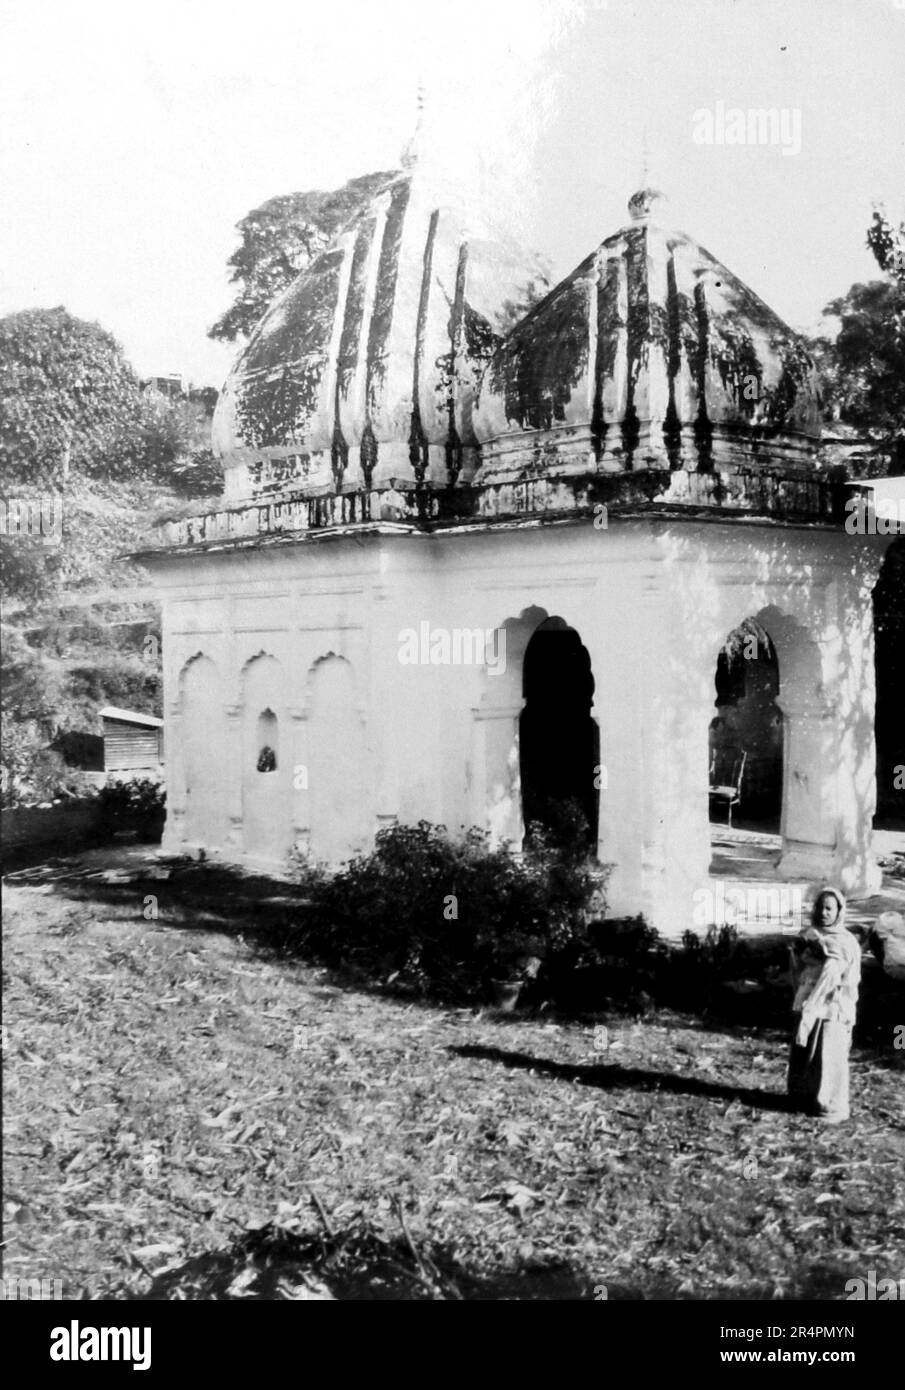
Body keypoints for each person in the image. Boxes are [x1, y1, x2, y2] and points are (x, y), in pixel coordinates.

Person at [787, 887, 861, 1123]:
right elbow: (798, 969)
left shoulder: (845, 941)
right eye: (819, 907)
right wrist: (797, 952)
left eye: (829, 908)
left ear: (839, 911)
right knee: (806, 1051)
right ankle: (803, 1098)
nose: (823, 913)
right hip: (809, 997)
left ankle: (829, 1106)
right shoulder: (809, 934)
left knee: (828, 1053)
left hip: (830, 1004)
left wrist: (823, 949)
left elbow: (835, 973)